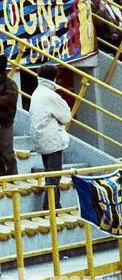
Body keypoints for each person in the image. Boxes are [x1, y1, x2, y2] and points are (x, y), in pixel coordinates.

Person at [28, 64, 71, 205]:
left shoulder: (37, 92)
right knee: (54, 177)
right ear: (54, 77)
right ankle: (51, 207)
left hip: (41, 139)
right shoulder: (51, 95)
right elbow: (66, 117)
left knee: (50, 175)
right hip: (52, 140)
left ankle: (52, 206)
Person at [0, 55, 17, 176]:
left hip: (5, 124)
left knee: (7, 154)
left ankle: (13, 179)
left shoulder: (10, 83)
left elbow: (10, 100)